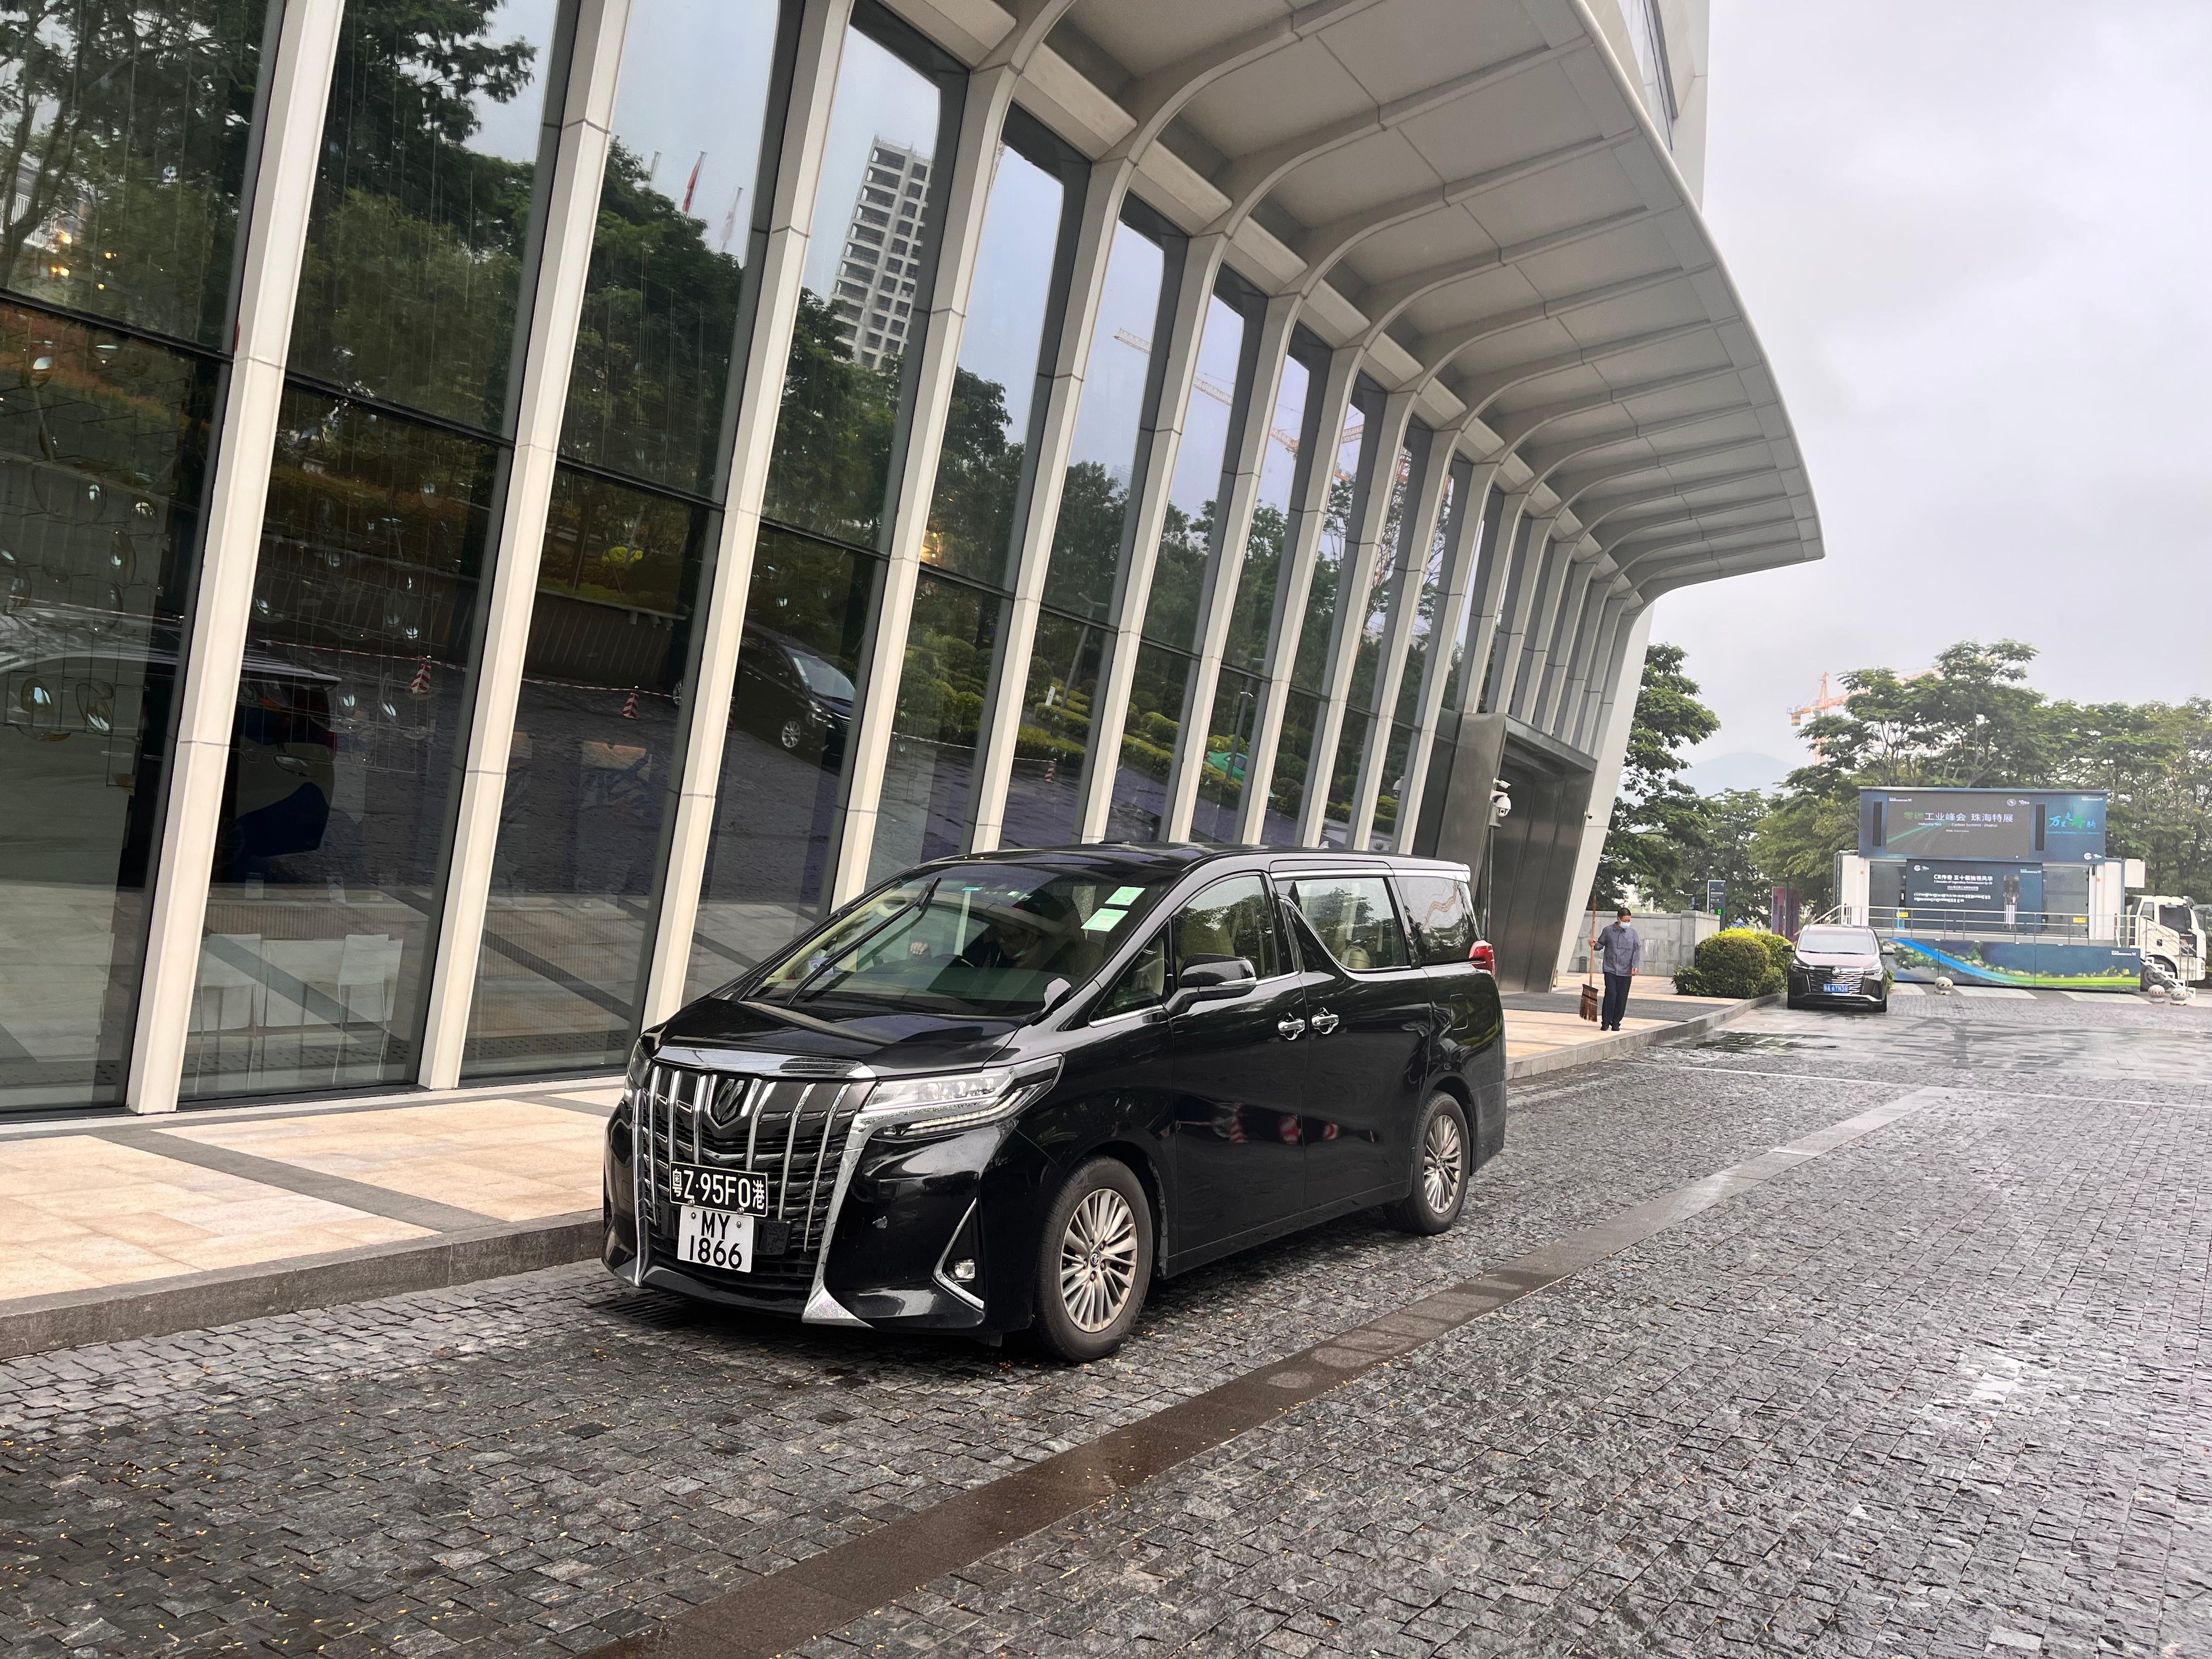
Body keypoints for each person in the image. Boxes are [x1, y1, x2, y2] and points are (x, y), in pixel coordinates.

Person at [1595, 906, 1641, 1031]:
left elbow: (1637, 950)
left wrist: (1635, 966)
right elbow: (1600, 944)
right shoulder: (1608, 931)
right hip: (1610, 969)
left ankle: (1616, 1022)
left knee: (1622, 998)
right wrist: (1595, 945)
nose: (1627, 923)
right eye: (1625, 921)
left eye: (1629, 921)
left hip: (1626, 971)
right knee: (1611, 994)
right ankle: (1606, 1021)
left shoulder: (1633, 934)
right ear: (1619, 919)